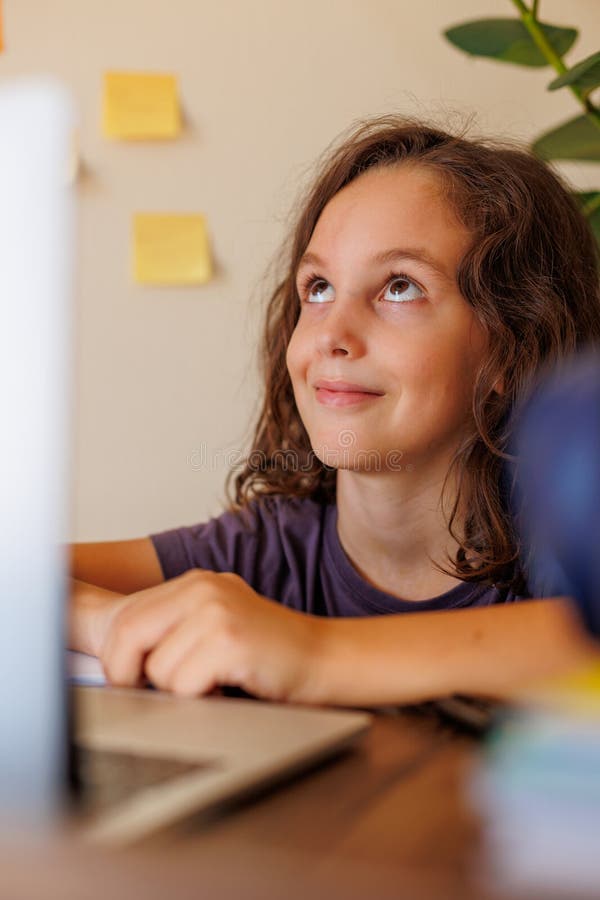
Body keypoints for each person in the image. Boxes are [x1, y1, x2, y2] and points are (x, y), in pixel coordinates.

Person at [69, 116, 600, 706]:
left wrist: (313, 651)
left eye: (400, 286)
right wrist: (107, 621)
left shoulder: (566, 549)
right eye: (317, 288)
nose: (331, 334)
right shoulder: (268, 550)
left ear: (511, 344)